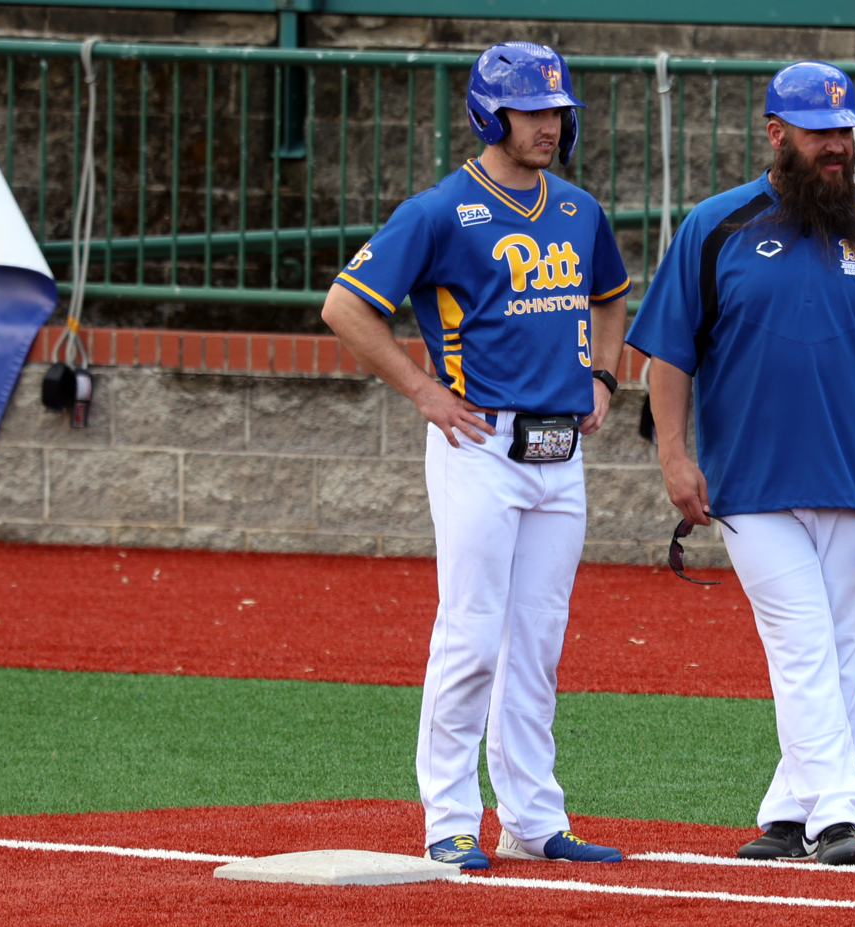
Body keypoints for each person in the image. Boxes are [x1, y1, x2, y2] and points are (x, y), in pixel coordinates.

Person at [625, 60, 855, 867]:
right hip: (749, 484)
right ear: (777, 135)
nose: (837, 146)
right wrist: (673, 457)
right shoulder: (716, 227)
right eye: (820, 133)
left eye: (845, 132)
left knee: (841, 649)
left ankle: (786, 810)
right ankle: (842, 812)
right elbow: (666, 357)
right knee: (804, 639)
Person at [321, 42, 631, 870]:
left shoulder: (576, 210)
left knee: (538, 640)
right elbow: (345, 308)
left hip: (560, 449)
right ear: (489, 113)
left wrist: (604, 374)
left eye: (557, 110)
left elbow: (610, 295)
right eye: (531, 109)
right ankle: (449, 816)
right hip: (479, 441)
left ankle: (531, 818)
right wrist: (424, 390)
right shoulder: (439, 210)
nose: (549, 123)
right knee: (472, 636)